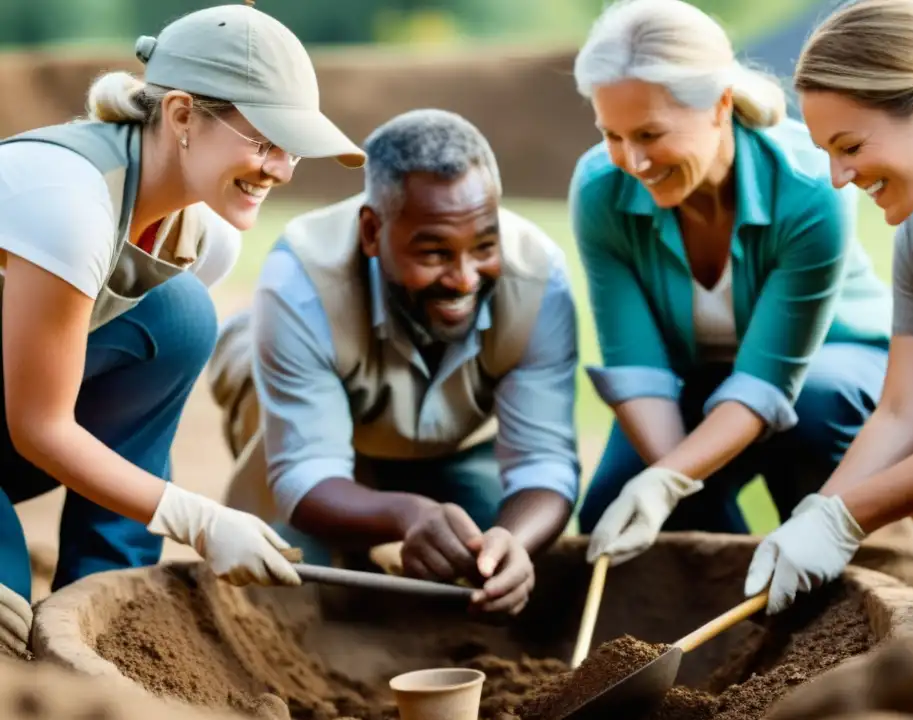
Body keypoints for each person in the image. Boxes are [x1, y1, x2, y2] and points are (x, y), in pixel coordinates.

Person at [0, 3, 366, 659]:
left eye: (292, 150)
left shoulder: (205, 237)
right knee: (4, 609)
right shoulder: (69, 199)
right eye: (264, 142)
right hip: (21, 426)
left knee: (182, 314)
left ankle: (105, 599)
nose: (280, 170)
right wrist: (198, 519)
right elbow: (38, 426)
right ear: (180, 116)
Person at [568, 0, 913, 568]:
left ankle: (846, 581)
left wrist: (671, 477)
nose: (631, 160)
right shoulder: (600, 188)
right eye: (611, 135)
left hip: (834, 364)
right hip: (700, 380)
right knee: (613, 509)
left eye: (649, 133)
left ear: (719, 106)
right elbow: (638, 366)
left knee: (815, 408)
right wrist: (668, 483)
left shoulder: (809, 184)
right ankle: (736, 586)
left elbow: (768, 381)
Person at [738, 0, 913, 712]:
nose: (838, 177)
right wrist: (816, 514)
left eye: (851, 146)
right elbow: (903, 412)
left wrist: (846, 521)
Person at [209, 108, 581, 617]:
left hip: (449, 442)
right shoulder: (302, 282)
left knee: (484, 545)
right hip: (287, 396)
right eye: (433, 254)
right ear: (370, 232)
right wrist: (405, 514)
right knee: (288, 590)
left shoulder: (538, 280)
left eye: (484, 246)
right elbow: (305, 470)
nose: (465, 278)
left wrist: (510, 540)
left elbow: (543, 461)